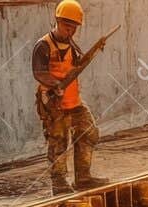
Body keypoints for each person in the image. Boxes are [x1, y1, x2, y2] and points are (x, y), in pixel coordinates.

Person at [32, 1, 106, 193]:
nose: (70, 31)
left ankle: (83, 177)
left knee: (88, 132)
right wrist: (55, 84)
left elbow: (76, 66)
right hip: (54, 104)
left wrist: (94, 51)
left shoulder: (72, 45)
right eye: (67, 26)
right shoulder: (43, 45)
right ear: (57, 20)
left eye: (74, 27)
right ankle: (59, 183)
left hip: (73, 101)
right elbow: (39, 72)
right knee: (58, 141)